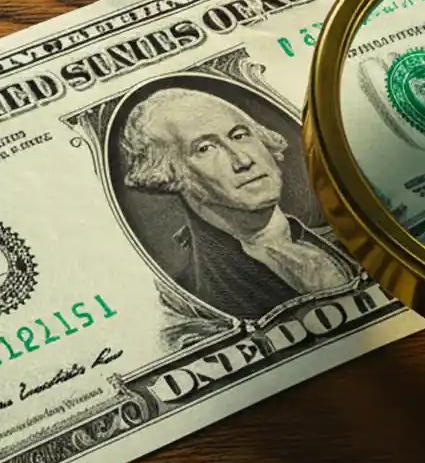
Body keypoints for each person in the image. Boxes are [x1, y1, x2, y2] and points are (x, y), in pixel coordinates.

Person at [120, 87, 354, 320]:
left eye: (239, 135)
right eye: (205, 148)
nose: (243, 160)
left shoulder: (348, 236)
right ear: (170, 174)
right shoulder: (191, 302)